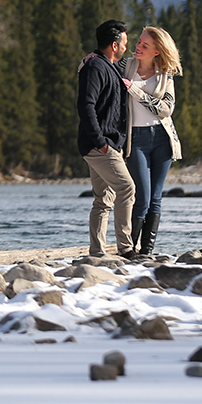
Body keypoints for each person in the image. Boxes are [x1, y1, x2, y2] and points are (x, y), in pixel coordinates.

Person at [76, 19, 136, 257]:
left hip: (107, 143)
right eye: (124, 43)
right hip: (99, 145)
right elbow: (86, 105)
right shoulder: (95, 68)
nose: (126, 48)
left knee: (104, 197)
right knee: (127, 188)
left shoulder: (111, 67)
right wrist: (100, 142)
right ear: (114, 45)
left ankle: (97, 252)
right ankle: (126, 249)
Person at [122, 25, 183, 256]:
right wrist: (89, 59)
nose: (137, 47)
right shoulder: (125, 66)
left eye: (144, 45)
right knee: (142, 197)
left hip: (162, 138)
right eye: (138, 42)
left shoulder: (165, 74)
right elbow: (101, 66)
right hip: (135, 139)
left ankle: (146, 252)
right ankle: (129, 250)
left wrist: (135, 91)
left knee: (156, 198)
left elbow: (166, 109)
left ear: (156, 51)